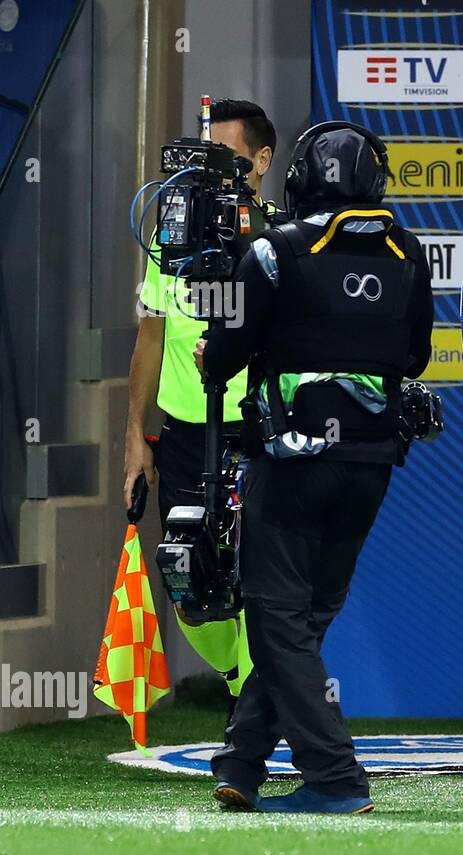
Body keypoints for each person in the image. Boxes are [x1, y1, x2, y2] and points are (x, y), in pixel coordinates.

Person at [202, 122, 435, 813]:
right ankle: (240, 763)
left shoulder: (276, 250)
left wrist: (215, 347)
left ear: (302, 177)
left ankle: (333, 777)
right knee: (305, 617)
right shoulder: (409, 252)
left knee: (276, 618)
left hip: (291, 459)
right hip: (372, 463)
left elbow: (222, 356)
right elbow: (417, 356)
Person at [125, 99, 279, 715]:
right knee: (189, 576)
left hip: (261, 428)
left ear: (262, 161)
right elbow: (151, 335)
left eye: (230, 161)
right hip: (187, 434)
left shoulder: (282, 239)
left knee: (265, 580)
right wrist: (136, 436)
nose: (213, 178)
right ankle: (244, 681)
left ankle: (253, 714)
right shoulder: (173, 236)